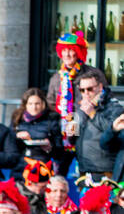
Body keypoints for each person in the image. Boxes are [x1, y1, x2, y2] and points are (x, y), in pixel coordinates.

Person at [50, 30, 87, 168]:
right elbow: (51, 102)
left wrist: (76, 119)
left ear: (79, 52)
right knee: (59, 174)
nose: (67, 54)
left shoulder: (91, 74)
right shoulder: (56, 77)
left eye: (71, 50)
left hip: (85, 134)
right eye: (64, 50)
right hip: (62, 135)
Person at [80, 67, 124, 181]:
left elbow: (112, 130)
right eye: (82, 90)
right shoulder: (80, 108)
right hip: (84, 172)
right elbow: (72, 137)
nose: (86, 93)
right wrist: (68, 125)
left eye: (90, 89)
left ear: (100, 87)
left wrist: (93, 114)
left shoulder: (114, 107)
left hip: (105, 173)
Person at [11, 87, 61, 169]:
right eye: (30, 104)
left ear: (43, 104)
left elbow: (59, 150)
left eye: (37, 104)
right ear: (25, 105)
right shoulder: (17, 117)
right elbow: (8, 141)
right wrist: (17, 135)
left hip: (42, 165)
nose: (34, 107)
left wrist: (50, 148)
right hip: (20, 163)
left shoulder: (51, 119)